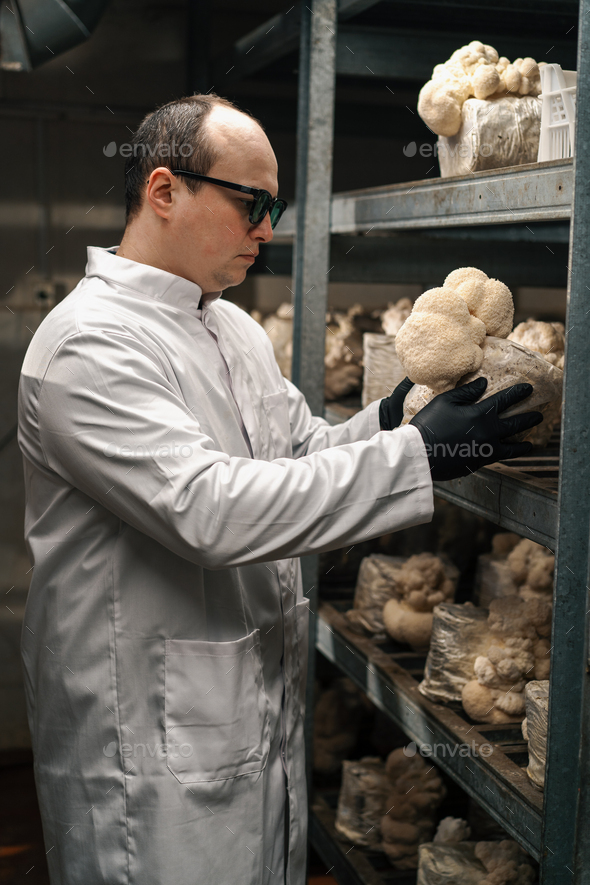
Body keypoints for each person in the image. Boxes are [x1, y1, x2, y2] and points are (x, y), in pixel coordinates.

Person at [17, 94, 541, 885]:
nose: (268, 228)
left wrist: (393, 419)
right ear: (164, 191)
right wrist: (410, 459)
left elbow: (297, 452)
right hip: (144, 751)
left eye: (276, 206)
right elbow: (210, 507)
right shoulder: (89, 345)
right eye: (251, 204)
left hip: (248, 715)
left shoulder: (226, 326)